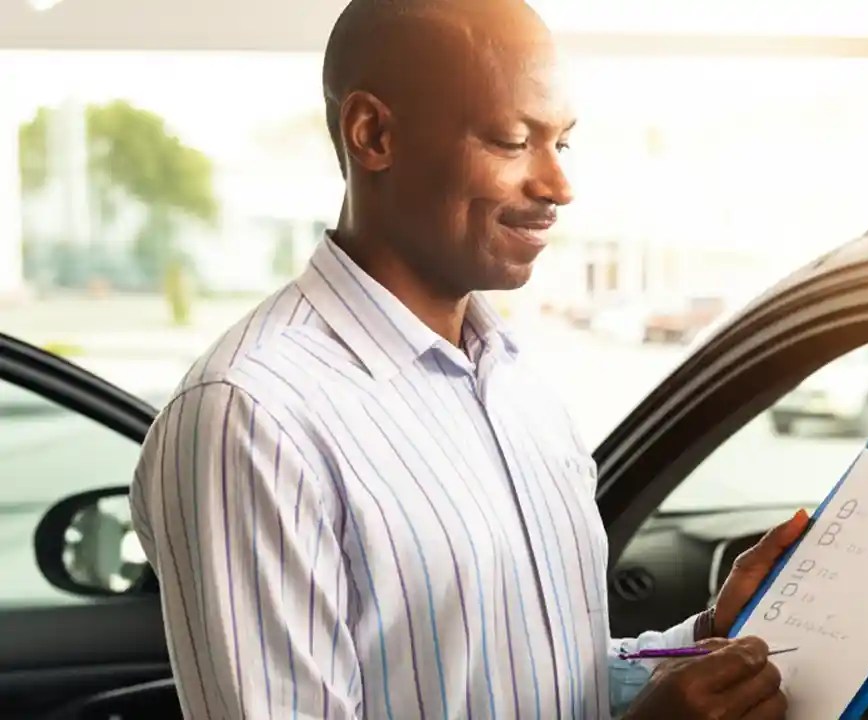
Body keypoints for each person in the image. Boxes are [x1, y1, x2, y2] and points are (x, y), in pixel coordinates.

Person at [128, 0, 809, 718]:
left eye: (562, 144)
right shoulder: (252, 415)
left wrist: (707, 643)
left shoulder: (515, 385)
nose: (557, 185)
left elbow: (531, 682)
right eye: (515, 142)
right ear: (374, 134)